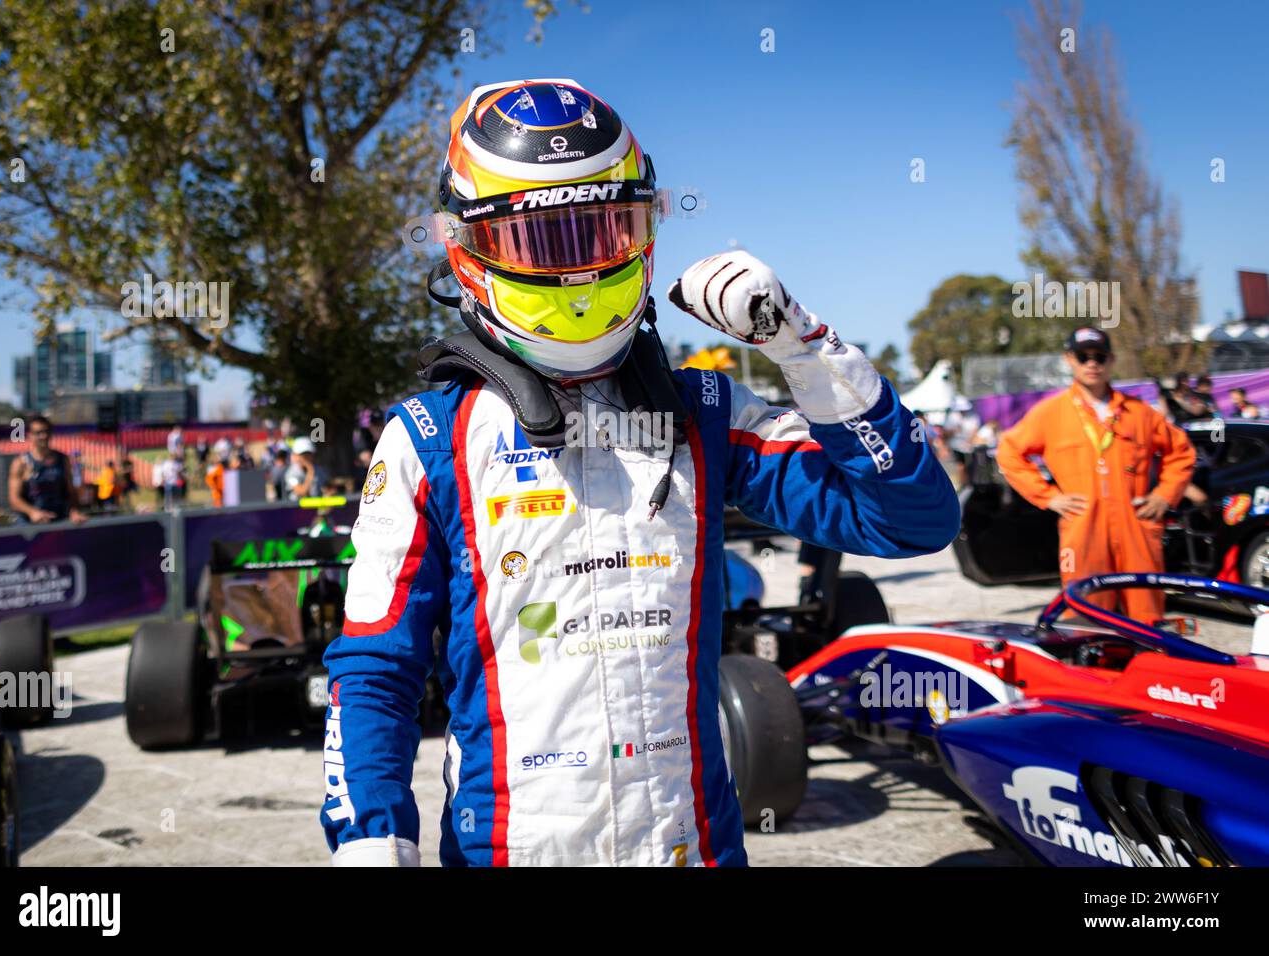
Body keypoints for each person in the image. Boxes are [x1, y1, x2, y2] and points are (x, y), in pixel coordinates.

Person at [320, 78, 959, 868]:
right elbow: (375, 665)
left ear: (644, 230)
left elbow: (913, 521)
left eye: (600, 231)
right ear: (469, 248)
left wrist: (801, 344)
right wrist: (370, 834)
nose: (579, 268)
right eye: (543, 241)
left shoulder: (708, 412)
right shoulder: (428, 439)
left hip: (692, 848)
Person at [997, 327, 1194, 622]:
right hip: (1083, 526)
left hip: (1135, 524)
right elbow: (1009, 452)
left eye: (1099, 357)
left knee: (1146, 612)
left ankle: (1147, 651)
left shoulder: (1139, 413)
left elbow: (1181, 451)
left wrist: (1164, 496)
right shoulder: (1050, 413)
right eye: (1083, 356)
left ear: (1111, 360)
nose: (1092, 363)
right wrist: (1048, 497)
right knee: (1085, 613)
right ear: (1069, 359)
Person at [9, 415, 85, 524]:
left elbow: (71, 493)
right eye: (38, 433)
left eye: (46, 431)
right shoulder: (21, 463)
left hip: (59, 520)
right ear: (30, 435)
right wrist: (32, 512)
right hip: (30, 525)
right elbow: (14, 499)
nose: (43, 436)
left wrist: (74, 511)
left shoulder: (63, 459)